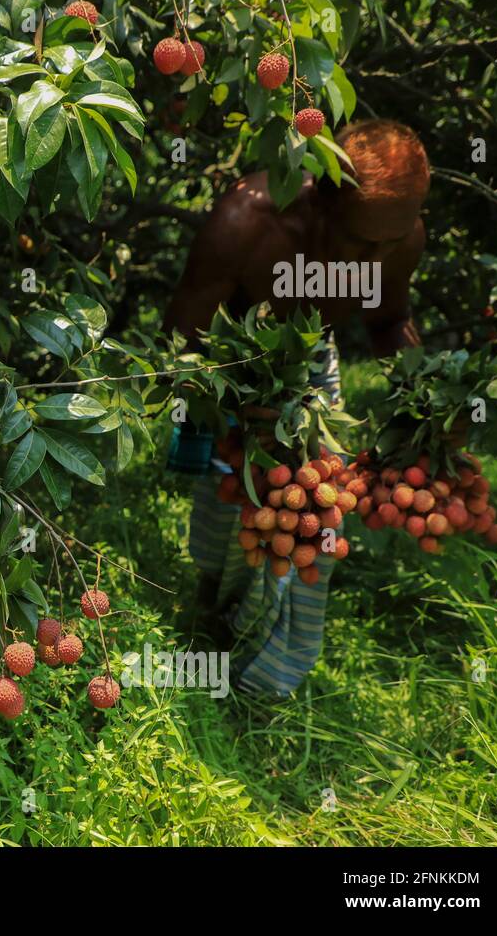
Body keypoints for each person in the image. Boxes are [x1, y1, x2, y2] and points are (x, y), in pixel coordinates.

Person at [164, 119, 429, 695]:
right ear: (321, 197)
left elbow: (387, 321)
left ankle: (269, 673)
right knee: (225, 513)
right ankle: (207, 620)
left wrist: (423, 404)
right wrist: (241, 409)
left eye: (392, 241)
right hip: (231, 372)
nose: (376, 257)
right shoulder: (247, 223)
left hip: (311, 373)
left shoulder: (398, 239)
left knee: (315, 523)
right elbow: (181, 343)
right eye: (363, 241)